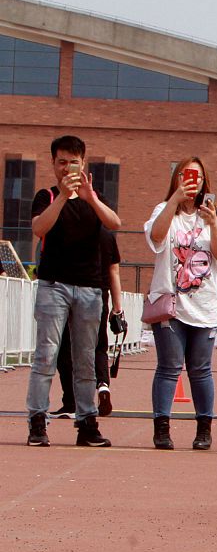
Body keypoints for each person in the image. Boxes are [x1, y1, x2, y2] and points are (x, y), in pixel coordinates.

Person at [26, 135, 121, 448]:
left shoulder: (95, 198)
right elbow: (39, 228)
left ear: (84, 163)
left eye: (73, 162)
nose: (67, 168)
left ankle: (87, 423)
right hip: (53, 285)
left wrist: (90, 197)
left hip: (90, 290)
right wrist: (63, 198)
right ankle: (38, 422)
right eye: (61, 162)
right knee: (46, 356)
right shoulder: (47, 195)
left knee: (85, 360)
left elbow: (115, 223)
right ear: (54, 164)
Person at [144, 157, 217, 450]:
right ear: (176, 178)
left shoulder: (214, 215)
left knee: (200, 370)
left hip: (204, 306)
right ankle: (162, 428)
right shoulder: (164, 210)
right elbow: (156, 239)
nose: (192, 180)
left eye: (197, 176)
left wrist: (214, 225)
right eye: (186, 175)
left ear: (204, 181)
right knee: (169, 366)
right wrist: (173, 201)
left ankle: (204, 428)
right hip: (171, 305)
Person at [50, 227, 124, 419]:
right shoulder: (108, 236)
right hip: (100, 295)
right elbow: (114, 271)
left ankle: (71, 401)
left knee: (66, 348)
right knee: (99, 346)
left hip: (73, 294)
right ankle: (103, 385)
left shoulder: (73, 232)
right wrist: (118, 307)